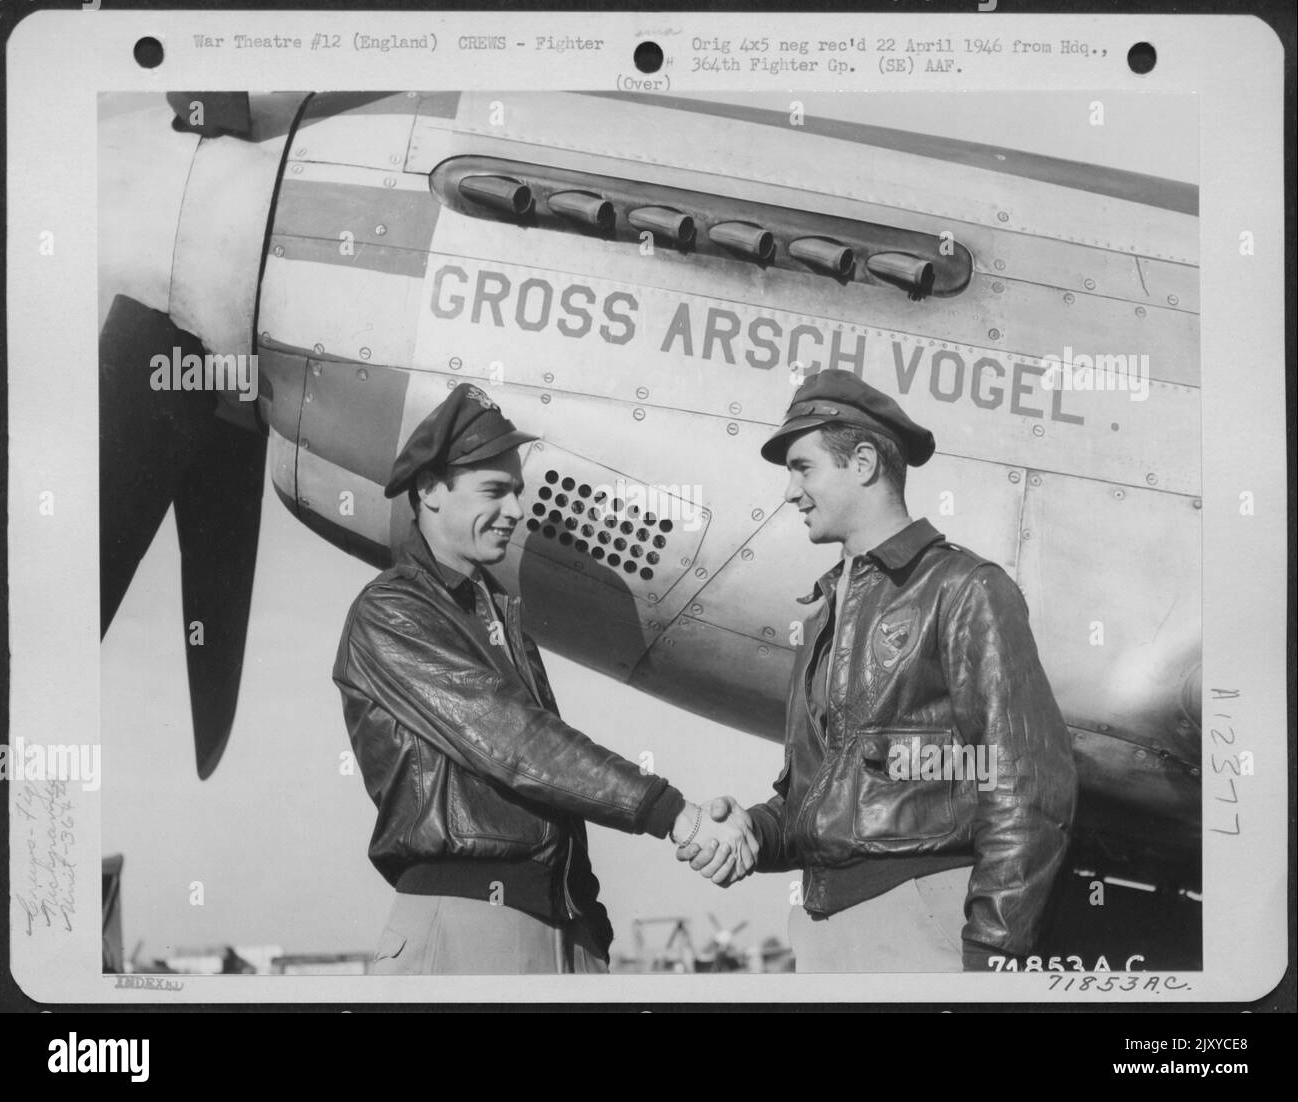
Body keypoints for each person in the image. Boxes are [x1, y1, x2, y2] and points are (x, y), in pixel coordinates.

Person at [334, 384, 754, 974]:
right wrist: (671, 812)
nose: (515, 510)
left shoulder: (495, 614)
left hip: (559, 924)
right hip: (469, 927)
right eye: (494, 491)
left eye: (517, 491)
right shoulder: (392, 613)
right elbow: (515, 743)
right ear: (429, 490)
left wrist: (590, 932)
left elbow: (543, 780)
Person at [678, 369, 1077, 972]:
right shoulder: (823, 615)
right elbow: (829, 797)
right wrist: (753, 831)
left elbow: (1026, 784)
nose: (789, 492)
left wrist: (992, 950)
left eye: (803, 468)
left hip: (922, 918)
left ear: (863, 462)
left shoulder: (964, 588)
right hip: (823, 930)